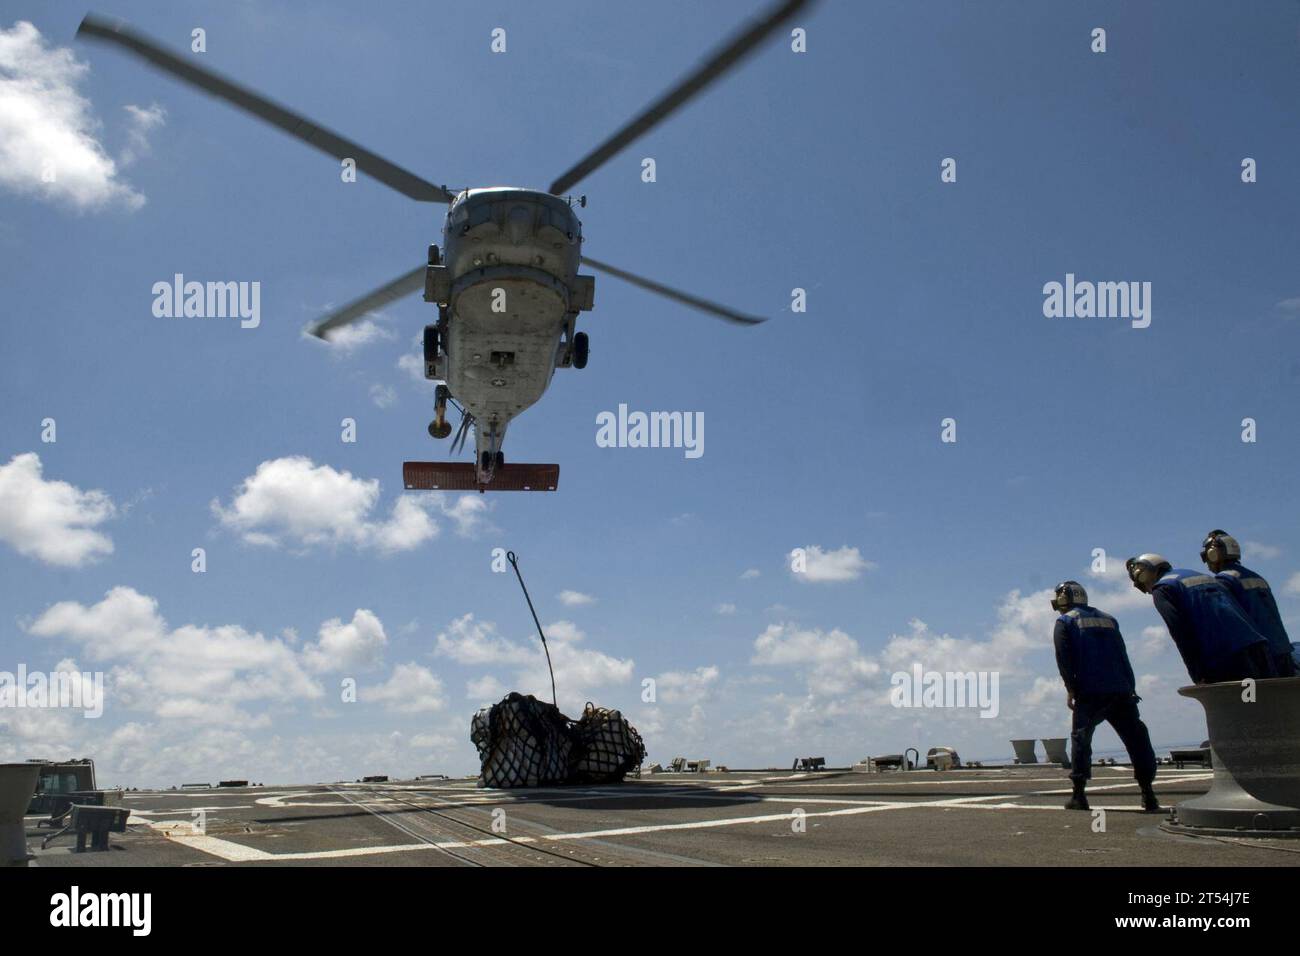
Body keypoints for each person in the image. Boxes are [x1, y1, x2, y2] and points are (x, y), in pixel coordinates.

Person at [1051, 580, 1159, 812]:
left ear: (1063, 598)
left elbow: (1064, 659)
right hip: (1121, 690)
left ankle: (1079, 795)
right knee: (1137, 740)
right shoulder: (1110, 620)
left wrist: (1071, 688)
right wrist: (1131, 687)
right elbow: (1123, 654)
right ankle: (1148, 794)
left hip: (1090, 692)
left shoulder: (1065, 621)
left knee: (1081, 739)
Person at [1126, 553, 1274, 684]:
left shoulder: (1163, 589)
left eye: (1143, 585)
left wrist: (1197, 673)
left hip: (1225, 656)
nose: (1148, 590)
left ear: (1144, 574)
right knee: (1263, 706)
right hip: (1258, 648)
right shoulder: (1202, 576)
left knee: (1235, 710)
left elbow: (1180, 633)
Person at [1200, 529, 1297, 678]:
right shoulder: (1258, 578)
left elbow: (1226, 621)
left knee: (1257, 698)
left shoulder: (1224, 580)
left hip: (1260, 655)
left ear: (1214, 554)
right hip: (1282, 649)